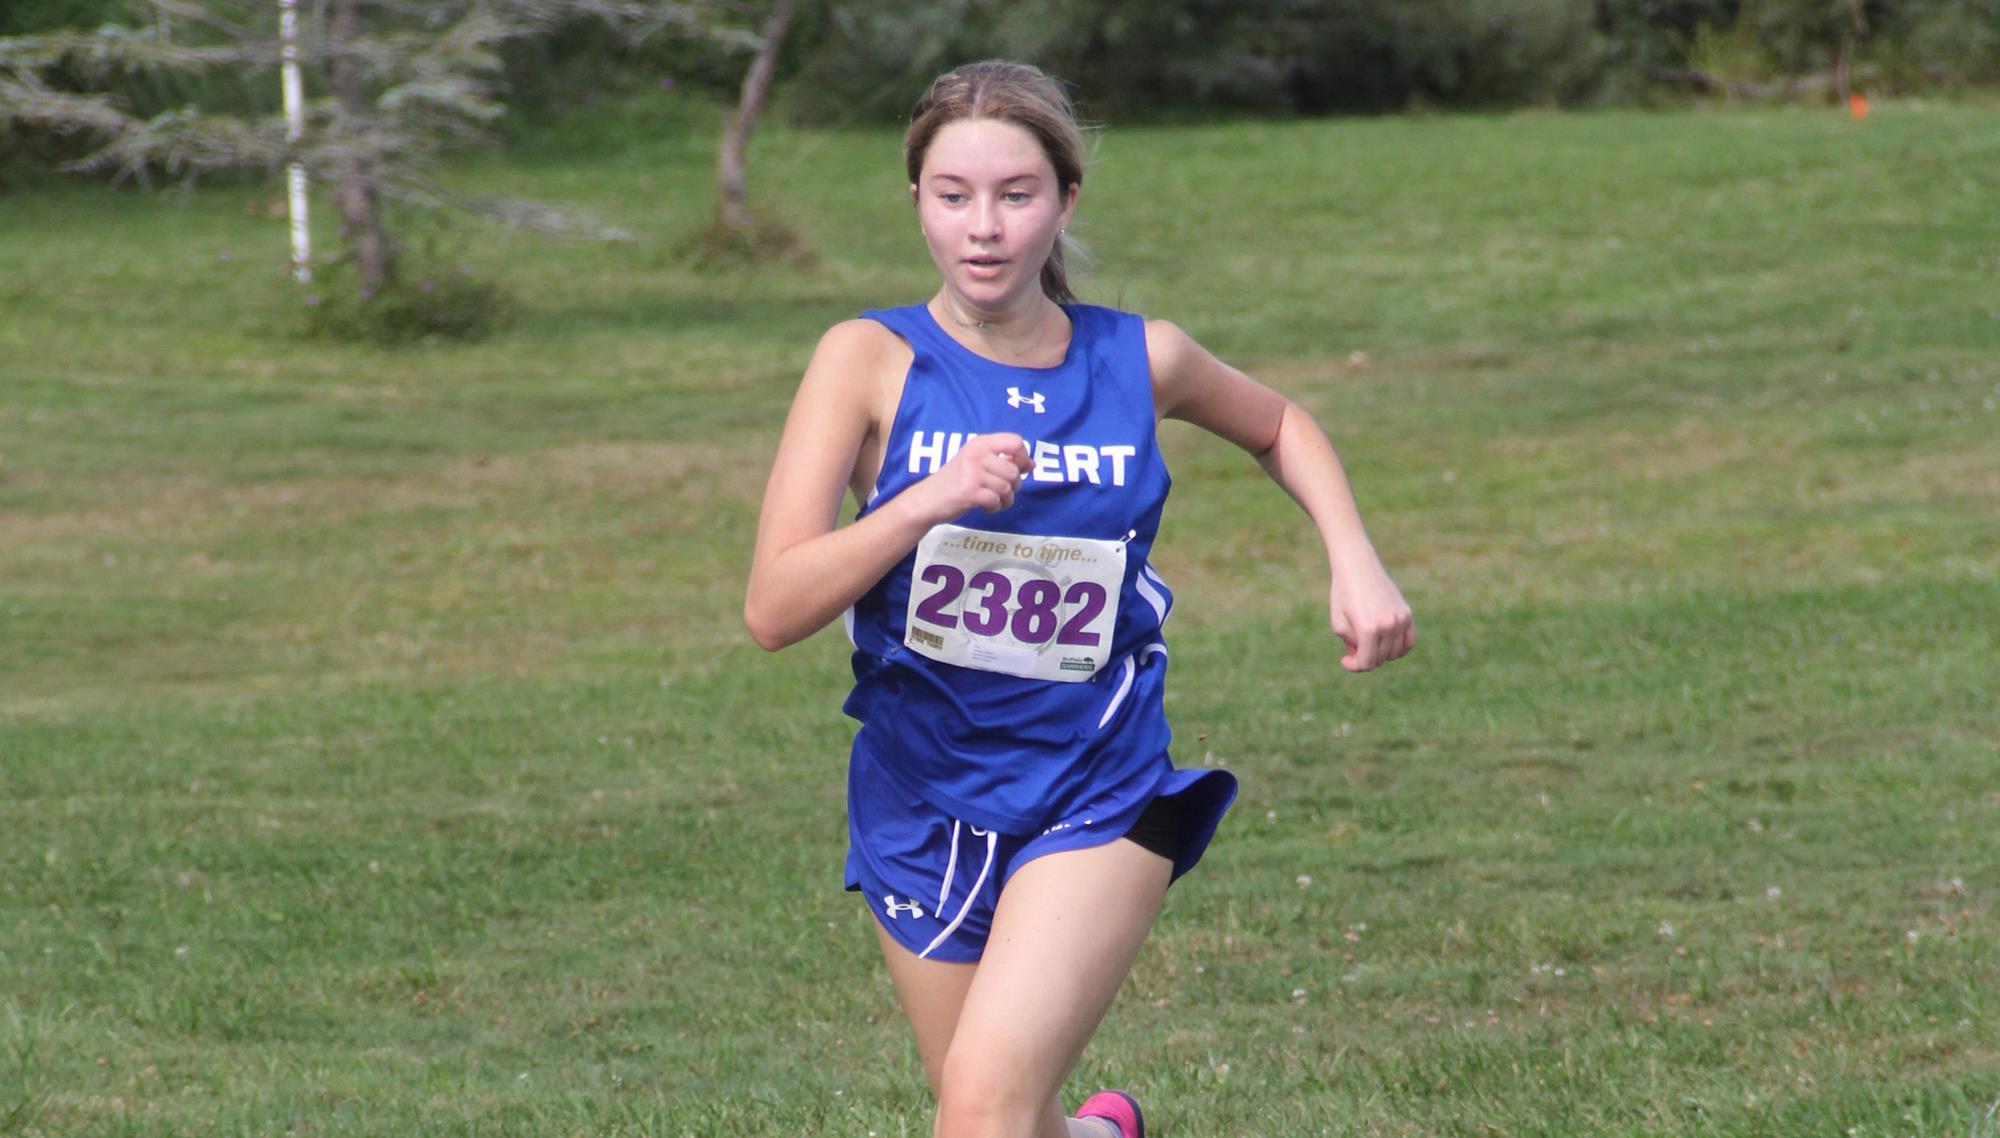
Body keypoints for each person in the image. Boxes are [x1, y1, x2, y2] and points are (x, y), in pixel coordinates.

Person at [744, 59, 1414, 1138]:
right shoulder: (864, 360)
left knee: (979, 1112)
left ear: (1063, 201)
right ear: (913, 198)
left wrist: (1354, 557)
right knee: (1011, 1112)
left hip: (1093, 784)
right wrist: (922, 506)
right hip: (921, 797)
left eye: (1016, 194)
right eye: (952, 194)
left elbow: (1279, 424)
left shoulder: (1137, 358)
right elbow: (773, 608)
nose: (984, 227)